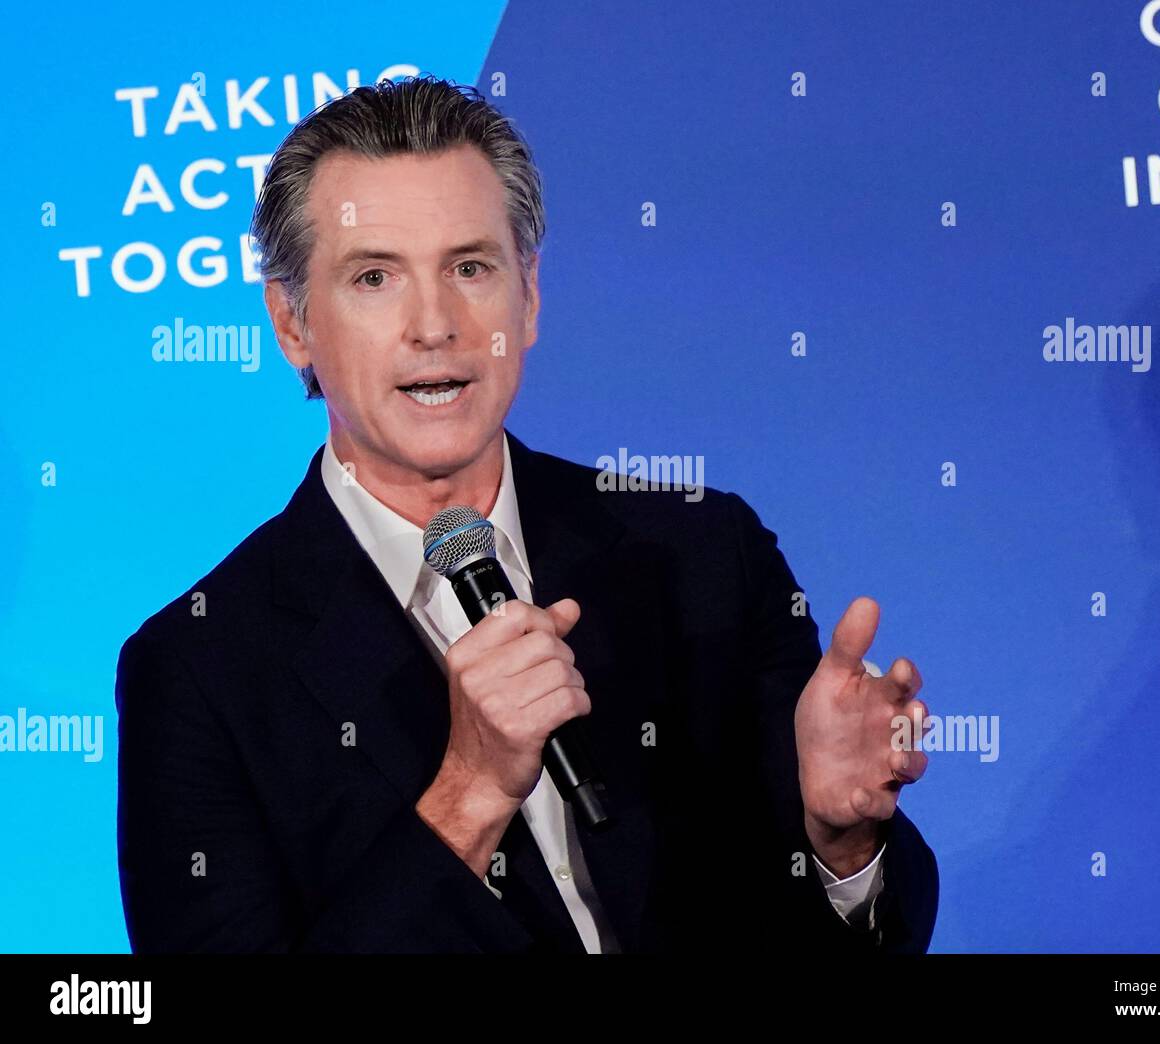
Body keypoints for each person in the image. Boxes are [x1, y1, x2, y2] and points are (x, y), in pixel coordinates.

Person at [115, 75, 939, 953]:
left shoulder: (700, 554)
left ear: (530, 296)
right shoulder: (200, 671)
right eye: (374, 277)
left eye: (471, 267)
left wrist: (837, 843)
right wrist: (468, 792)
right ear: (292, 324)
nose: (435, 325)